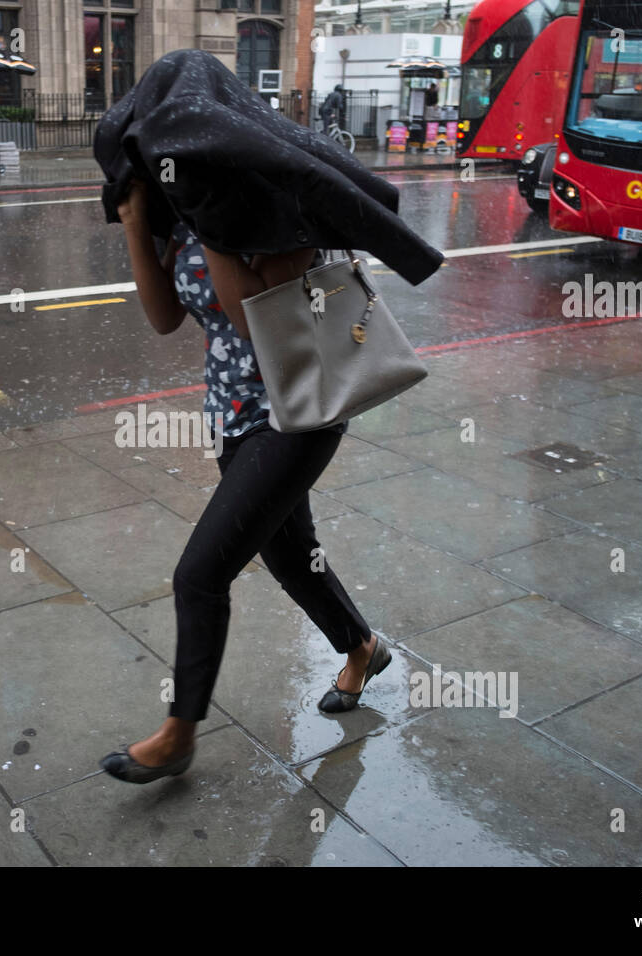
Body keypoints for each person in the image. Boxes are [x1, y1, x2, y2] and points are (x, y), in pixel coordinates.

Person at [98, 177, 392, 784]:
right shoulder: (180, 212)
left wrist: (215, 217)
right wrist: (134, 220)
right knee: (290, 555)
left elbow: (254, 319)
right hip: (231, 415)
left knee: (200, 575)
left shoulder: (277, 206)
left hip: (299, 413)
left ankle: (179, 735)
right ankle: (363, 648)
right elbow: (162, 317)